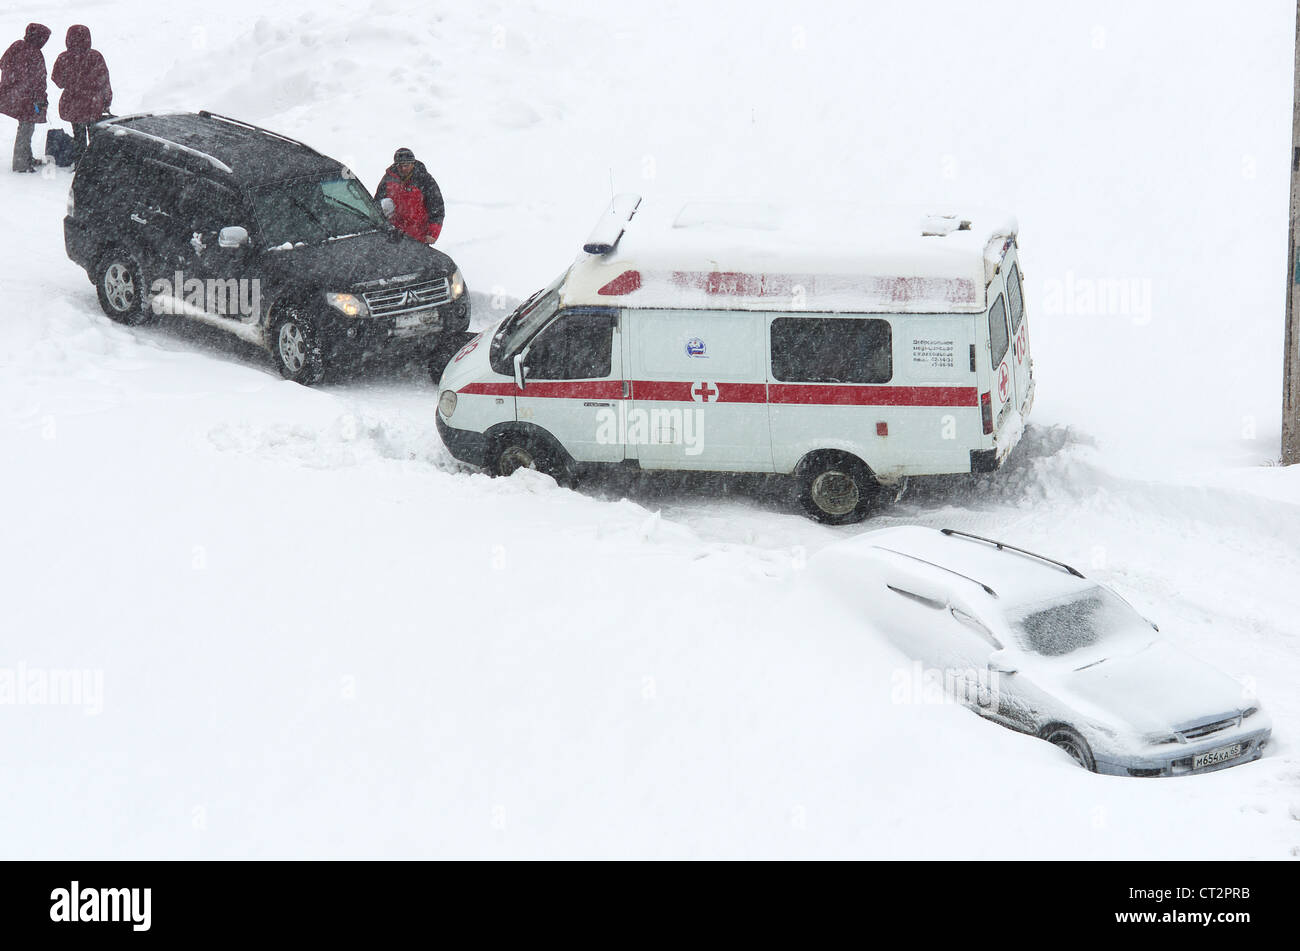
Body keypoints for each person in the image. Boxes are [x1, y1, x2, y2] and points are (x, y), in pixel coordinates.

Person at [51, 25, 112, 164]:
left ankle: (80, 163)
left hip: (73, 103)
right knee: (94, 135)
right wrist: (107, 101)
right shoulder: (95, 56)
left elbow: (58, 81)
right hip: (93, 103)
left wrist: (72, 82)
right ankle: (94, 163)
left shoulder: (64, 58)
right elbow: (105, 81)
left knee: (78, 135)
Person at [0, 23, 51, 173]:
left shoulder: (17, 45)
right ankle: (21, 164)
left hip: (13, 95)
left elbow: (3, 64)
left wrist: (12, 83)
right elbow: (38, 80)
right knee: (26, 129)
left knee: (25, 127)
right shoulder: (34, 53)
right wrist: (41, 99)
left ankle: (26, 157)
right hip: (27, 98)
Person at [374, 147, 445, 244]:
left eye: (406, 165)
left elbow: (437, 207)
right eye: (400, 166)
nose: (403, 169)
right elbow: (377, 203)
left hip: (418, 236)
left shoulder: (425, 180)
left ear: (413, 164)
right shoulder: (388, 179)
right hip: (393, 235)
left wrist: (433, 233)